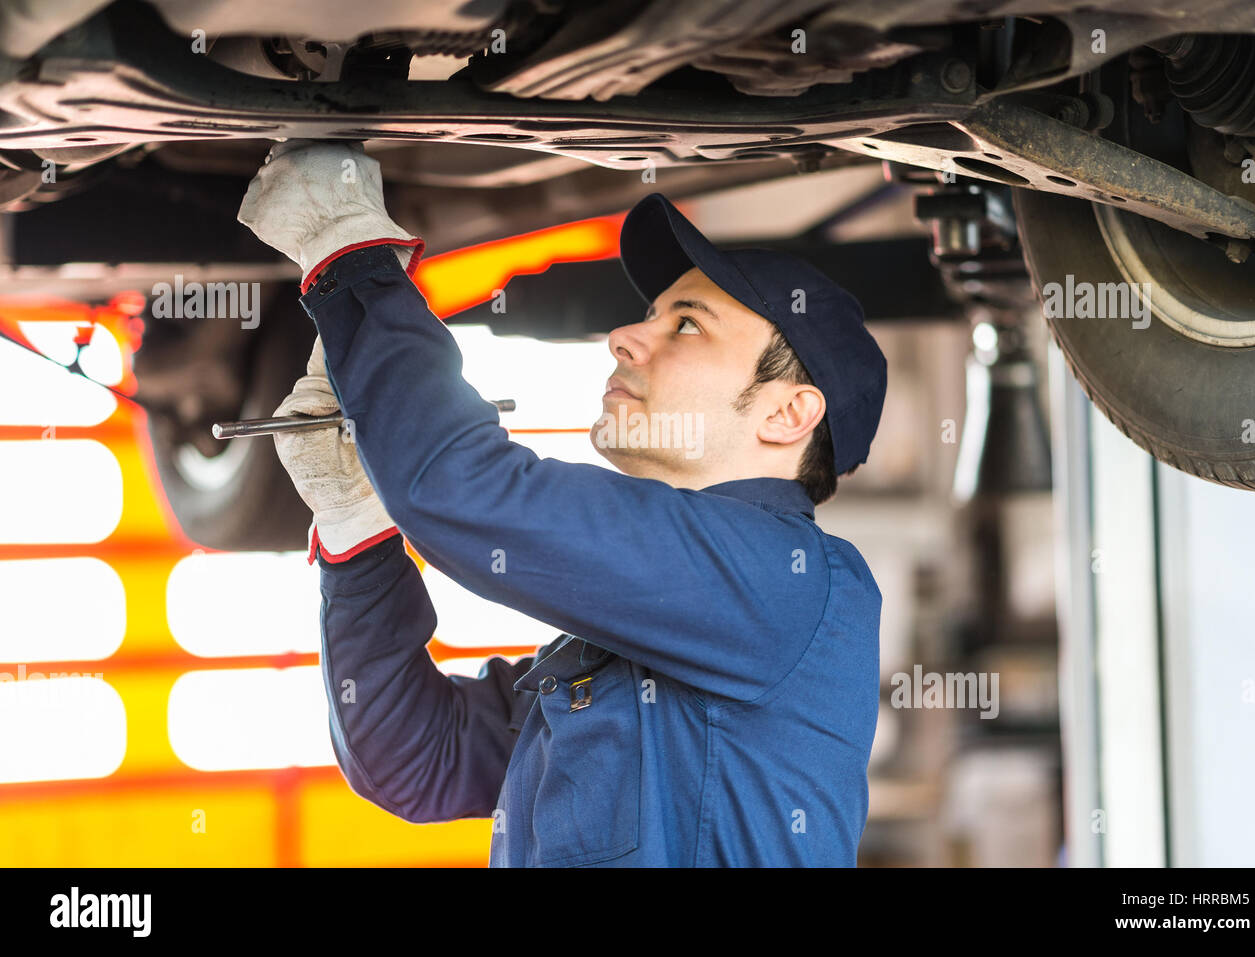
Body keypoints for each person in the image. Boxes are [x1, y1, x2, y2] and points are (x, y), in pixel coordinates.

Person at [237, 141, 888, 866]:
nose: (623, 338)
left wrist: (348, 252)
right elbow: (417, 759)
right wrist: (355, 519)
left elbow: (463, 488)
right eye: (650, 313)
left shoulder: (789, 580)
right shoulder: (631, 641)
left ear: (787, 414)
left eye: (686, 325)